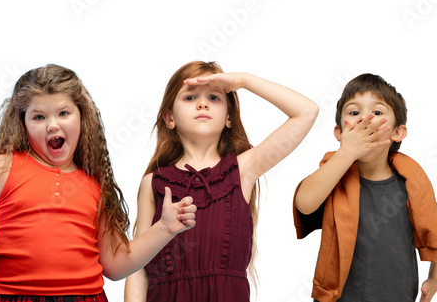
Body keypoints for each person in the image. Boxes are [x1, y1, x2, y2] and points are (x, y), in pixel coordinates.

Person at [0, 64, 197, 301]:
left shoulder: (95, 182)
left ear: (83, 118)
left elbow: (117, 264)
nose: (52, 124)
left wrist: (165, 229)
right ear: (23, 123)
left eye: (63, 113)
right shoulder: (1, 169)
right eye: (39, 117)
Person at [124, 61, 319, 301]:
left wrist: (243, 81)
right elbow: (136, 268)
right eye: (190, 97)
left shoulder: (243, 170)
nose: (203, 103)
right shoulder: (153, 183)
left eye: (214, 97)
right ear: (169, 117)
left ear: (229, 117)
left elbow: (306, 111)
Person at [293, 73, 437, 302]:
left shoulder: (410, 188)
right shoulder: (332, 180)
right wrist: (347, 152)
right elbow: (305, 203)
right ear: (339, 133)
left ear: (397, 132)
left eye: (377, 112)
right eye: (354, 112)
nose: (364, 120)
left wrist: (435, 280)